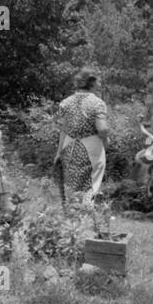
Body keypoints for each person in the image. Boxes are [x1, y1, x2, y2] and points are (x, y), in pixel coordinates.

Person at [52, 69, 109, 212]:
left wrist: (58, 152)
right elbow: (102, 129)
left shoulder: (65, 103)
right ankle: (86, 214)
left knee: (71, 184)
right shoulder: (97, 103)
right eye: (98, 80)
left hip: (69, 147)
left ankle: (71, 216)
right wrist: (106, 139)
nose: (100, 83)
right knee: (90, 183)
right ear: (92, 82)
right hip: (91, 149)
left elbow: (63, 130)